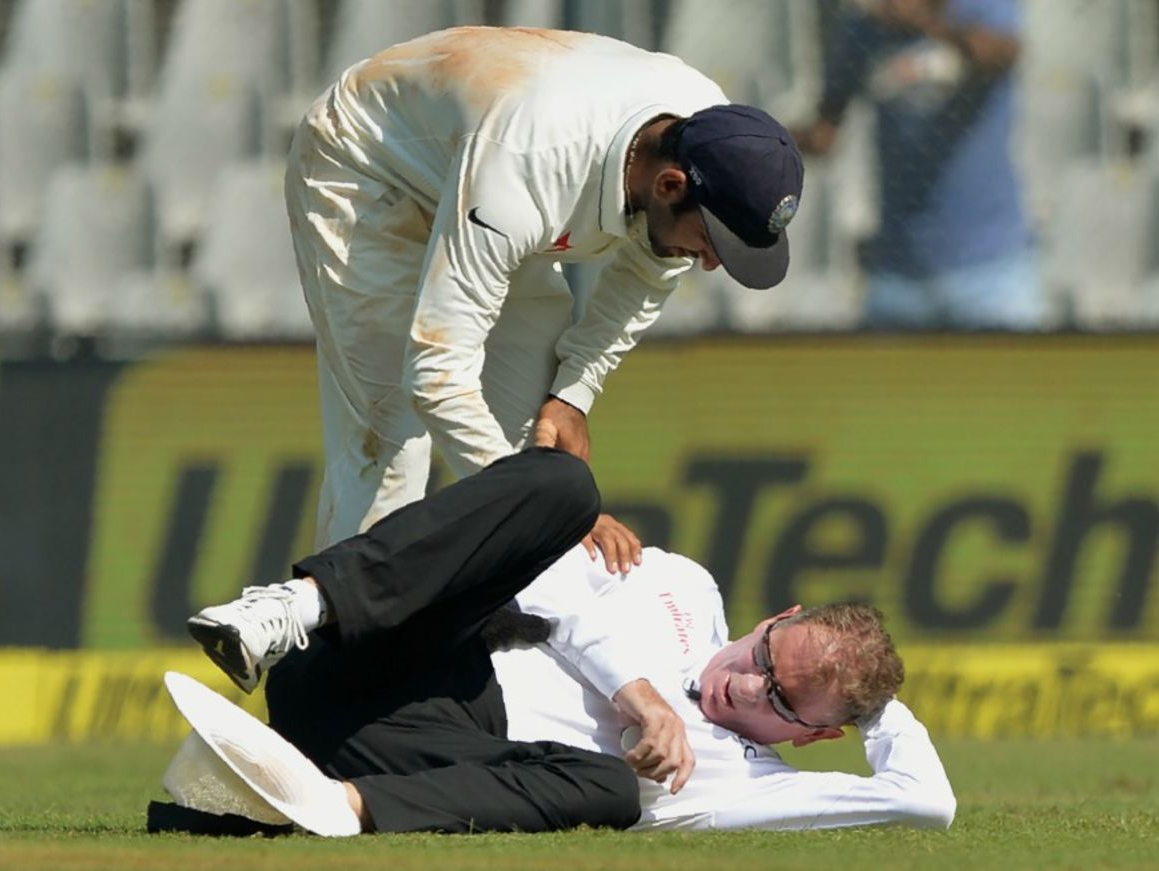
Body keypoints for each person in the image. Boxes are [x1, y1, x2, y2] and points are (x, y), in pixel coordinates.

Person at [186, 444, 955, 834]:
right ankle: (297, 606)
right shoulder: (687, 588)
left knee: (614, 790)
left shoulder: (756, 786)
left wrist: (875, 704)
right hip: (398, 657)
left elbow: (923, 800)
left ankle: (331, 805)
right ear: (772, 619)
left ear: (817, 735)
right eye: (765, 656)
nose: (747, 683)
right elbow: (545, 577)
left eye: (781, 699)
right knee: (564, 487)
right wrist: (639, 693)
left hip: (421, 753)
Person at [285, 26, 804, 551]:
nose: (710, 264)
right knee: (392, 436)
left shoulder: (710, 138)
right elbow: (436, 373)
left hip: (482, 165)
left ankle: (507, 599)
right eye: (711, 241)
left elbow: (647, 275)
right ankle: (338, 603)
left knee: (537, 433)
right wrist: (545, 510)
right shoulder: (531, 167)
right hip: (369, 168)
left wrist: (573, 395)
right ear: (669, 186)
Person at [795, 0, 1041, 329]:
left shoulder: (985, 7)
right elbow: (825, 132)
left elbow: (1002, 53)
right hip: (897, 274)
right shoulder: (866, 28)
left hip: (991, 270)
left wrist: (927, 21)